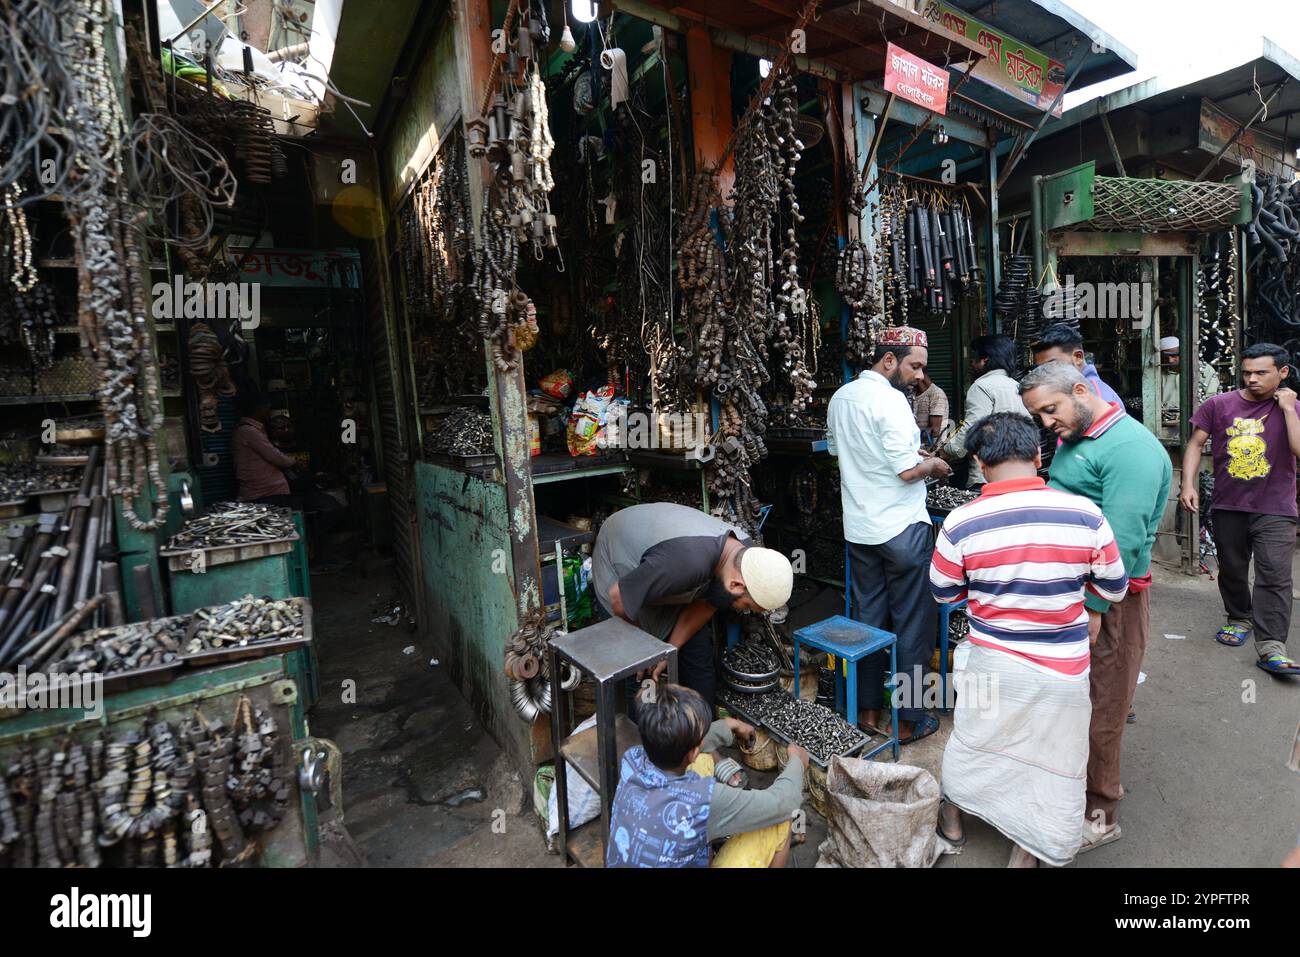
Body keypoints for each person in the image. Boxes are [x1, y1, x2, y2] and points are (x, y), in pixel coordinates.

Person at [931, 413, 1128, 867]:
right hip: (1062, 668)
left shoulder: (961, 522)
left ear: (979, 463)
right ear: (1039, 456)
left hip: (993, 662)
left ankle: (955, 821)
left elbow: (944, 591)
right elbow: (1115, 586)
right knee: (1053, 758)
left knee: (975, 742)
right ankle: (1028, 849)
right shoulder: (1085, 514)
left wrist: (984, 589)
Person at [1019, 362, 1171, 852]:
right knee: (1067, 702)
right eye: (1038, 415)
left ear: (1082, 390)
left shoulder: (1130, 450)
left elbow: (1123, 547)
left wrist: (1093, 609)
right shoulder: (1076, 435)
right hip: (1072, 593)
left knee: (1104, 706)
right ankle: (1064, 791)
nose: (1046, 424)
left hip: (1110, 602)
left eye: (1050, 410)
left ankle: (1101, 814)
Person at [827, 325, 950, 743]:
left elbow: (841, 453)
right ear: (889, 360)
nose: (918, 376)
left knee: (866, 621)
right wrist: (931, 465)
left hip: (861, 530)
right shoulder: (892, 401)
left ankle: (867, 712)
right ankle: (912, 718)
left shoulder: (841, 398)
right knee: (913, 624)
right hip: (902, 531)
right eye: (914, 366)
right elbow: (905, 471)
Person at [592, 503, 794, 705]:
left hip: (669, 577)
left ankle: (702, 730)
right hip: (621, 567)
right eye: (748, 606)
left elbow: (707, 604)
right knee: (641, 676)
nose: (745, 611)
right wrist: (646, 649)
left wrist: (670, 649)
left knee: (700, 668)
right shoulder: (685, 564)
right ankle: (640, 733)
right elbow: (618, 598)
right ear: (736, 584)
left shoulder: (744, 558)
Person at [1180, 343, 1300, 676]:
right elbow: (1195, 443)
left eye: (1261, 372)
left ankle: (1272, 645)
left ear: (1283, 372)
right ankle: (1239, 616)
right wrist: (1187, 484)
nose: (1252, 379)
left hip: (1276, 506)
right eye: (1246, 372)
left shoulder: (1294, 408)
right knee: (1232, 568)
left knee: (1274, 574)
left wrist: (1289, 409)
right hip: (1228, 503)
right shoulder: (1218, 405)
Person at [606, 684, 809, 868]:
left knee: (704, 761)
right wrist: (797, 762)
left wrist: (729, 726)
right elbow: (783, 802)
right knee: (779, 820)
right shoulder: (704, 800)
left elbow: (677, 739)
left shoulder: (631, 759)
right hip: (703, 809)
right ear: (692, 750)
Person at [943, 334, 1031, 486]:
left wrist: (949, 449)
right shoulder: (1017, 386)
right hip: (1020, 471)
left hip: (988, 476)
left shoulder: (981, 386)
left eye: (973, 359)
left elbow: (973, 428)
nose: (971, 363)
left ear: (985, 360)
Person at [1031, 323, 1122, 404]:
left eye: (1052, 365)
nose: (1046, 374)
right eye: (1041, 368)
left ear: (1078, 357)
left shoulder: (1096, 398)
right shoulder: (1073, 390)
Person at [232, 391, 297, 502]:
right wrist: (294, 462)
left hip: (267, 491)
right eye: (268, 409)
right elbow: (275, 457)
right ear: (260, 409)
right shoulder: (248, 431)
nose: (269, 413)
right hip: (265, 493)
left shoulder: (253, 430)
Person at [912, 371, 949, 446]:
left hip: (933, 449)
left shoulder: (936, 394)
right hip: (918, 447)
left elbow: (935, 430)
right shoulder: (913, 394)